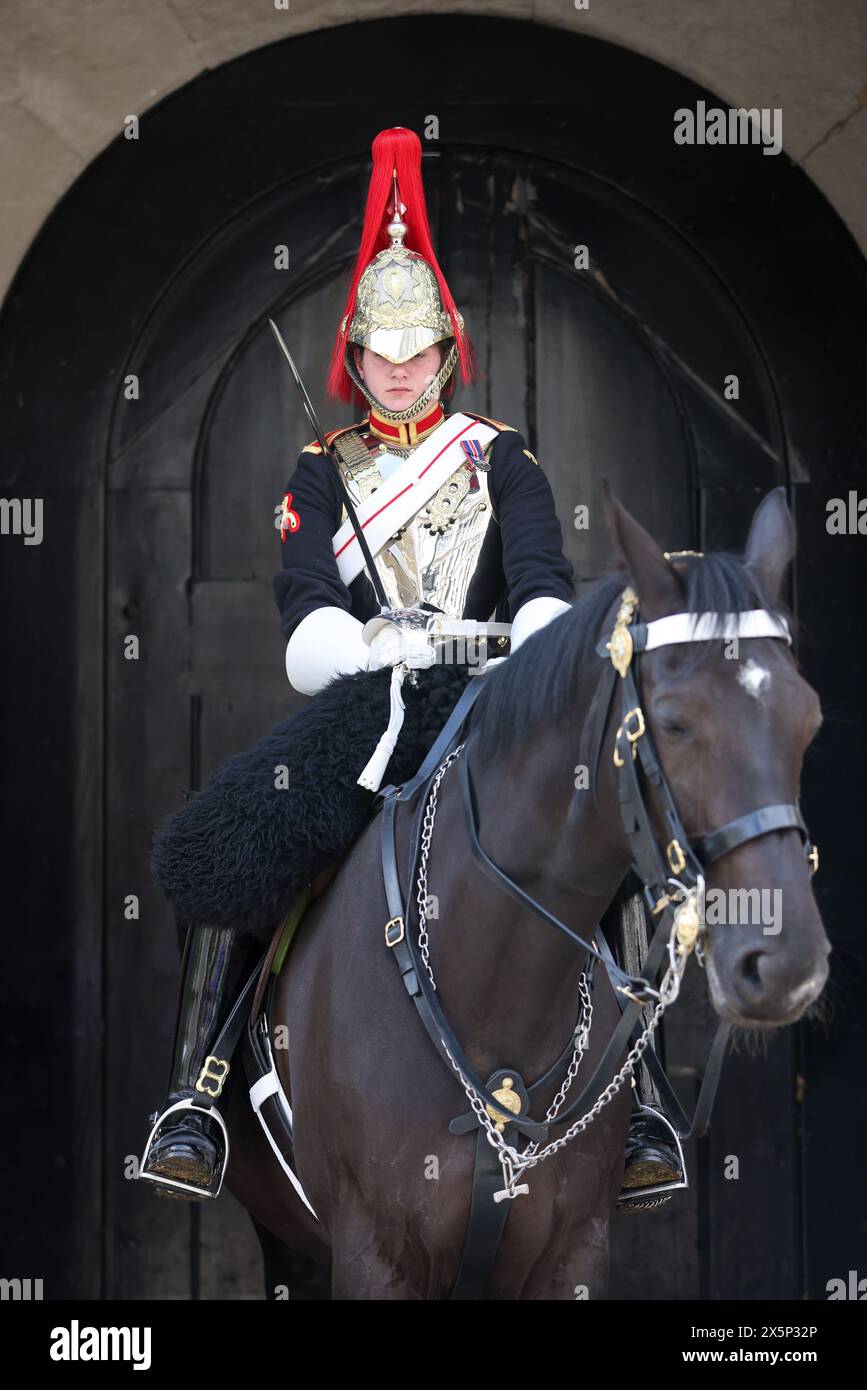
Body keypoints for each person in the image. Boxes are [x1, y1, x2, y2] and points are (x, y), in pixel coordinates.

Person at [138, 126, 683, 1209]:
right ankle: (197, 1092)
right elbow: (303, 610)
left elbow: (539, 577)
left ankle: (647, 1102)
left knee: (605, 823)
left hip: (490, 703)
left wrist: (514, 645)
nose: (399, 368)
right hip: (366, 704)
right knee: (238, 829)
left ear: (445, 347)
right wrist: (372, 643)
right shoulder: (319, 470)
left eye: (416, 349)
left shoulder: (501, 455)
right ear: (357, 356)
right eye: (380, 353)